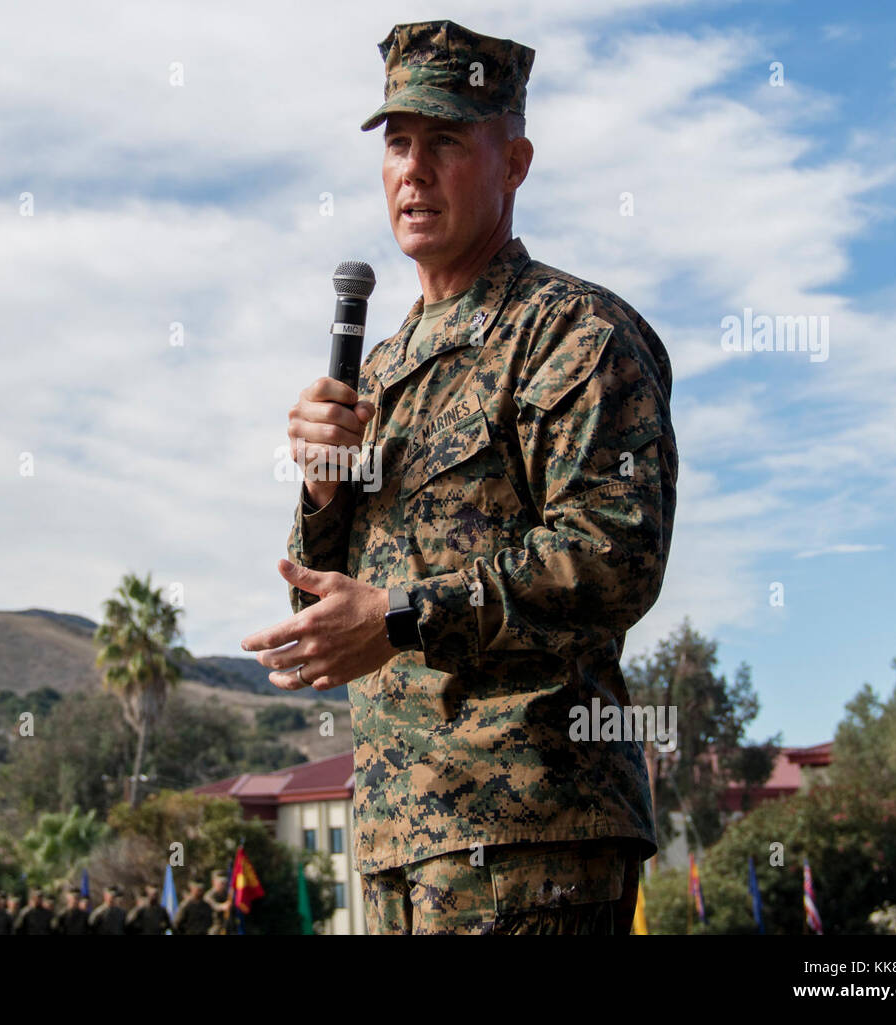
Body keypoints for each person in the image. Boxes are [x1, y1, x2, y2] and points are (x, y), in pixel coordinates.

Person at [242, 20, 677, 935]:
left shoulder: (574, 334)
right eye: (398, 143)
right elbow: (331, 587)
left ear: (513, 162)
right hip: (402, 839)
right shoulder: (387, 362)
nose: (413, 169)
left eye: (445, 140)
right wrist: (322, 489)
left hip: (534, 839)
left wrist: (401, 616)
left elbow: (612, 558)